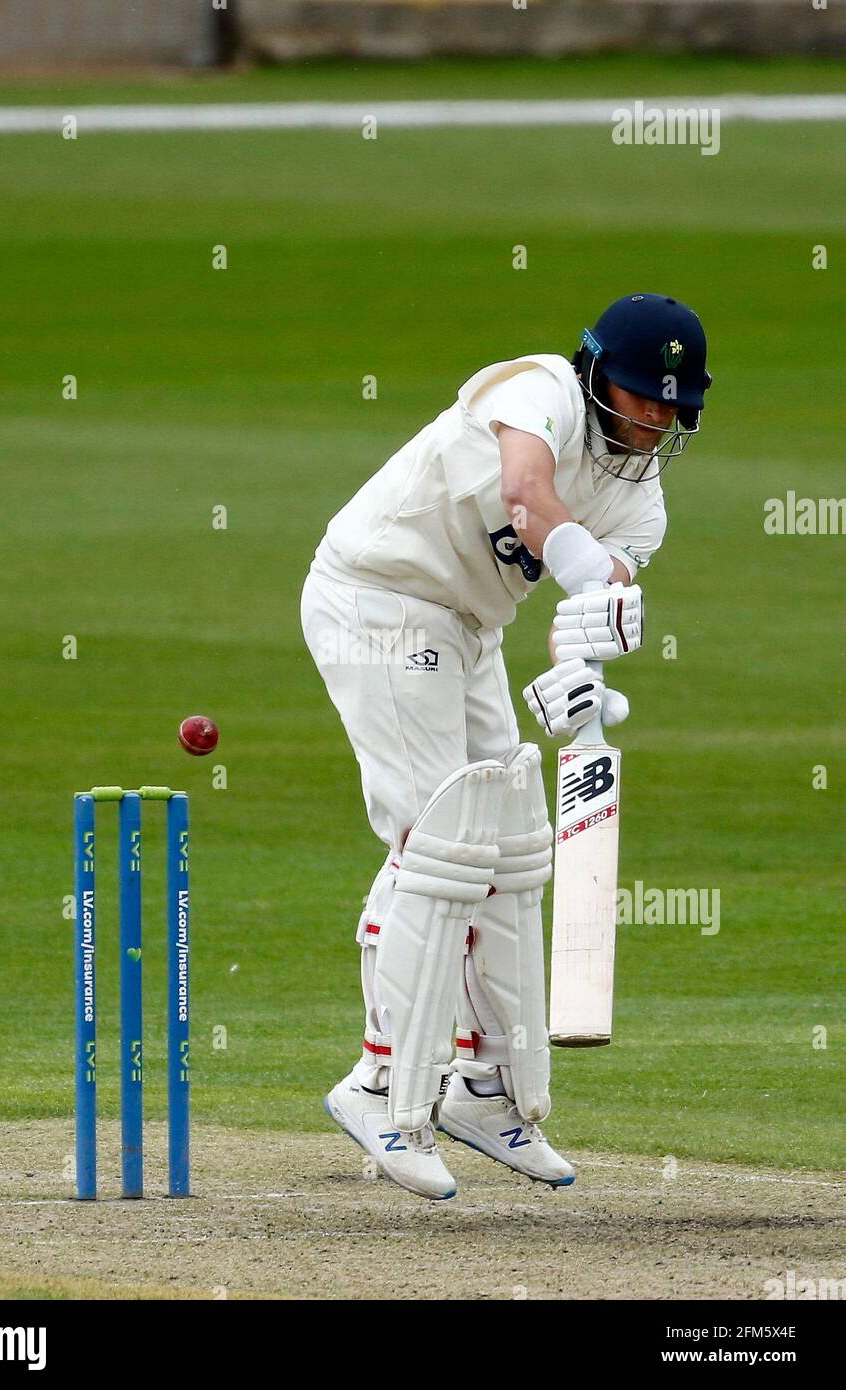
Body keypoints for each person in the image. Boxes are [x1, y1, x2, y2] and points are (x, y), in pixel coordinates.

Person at [300, 293, 711, 1200]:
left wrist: (586, 678)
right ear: (597, 371)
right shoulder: (541, 391)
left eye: (670, 405)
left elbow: (591, 613)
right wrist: (587, 577)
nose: (653, 418)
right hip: (378, 598)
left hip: (468, 629)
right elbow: (526, 495)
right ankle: (378, 1087)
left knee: (511, 848)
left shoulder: (642, 509)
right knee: (439, 845)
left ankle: (487, 1092)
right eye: (641, 395)